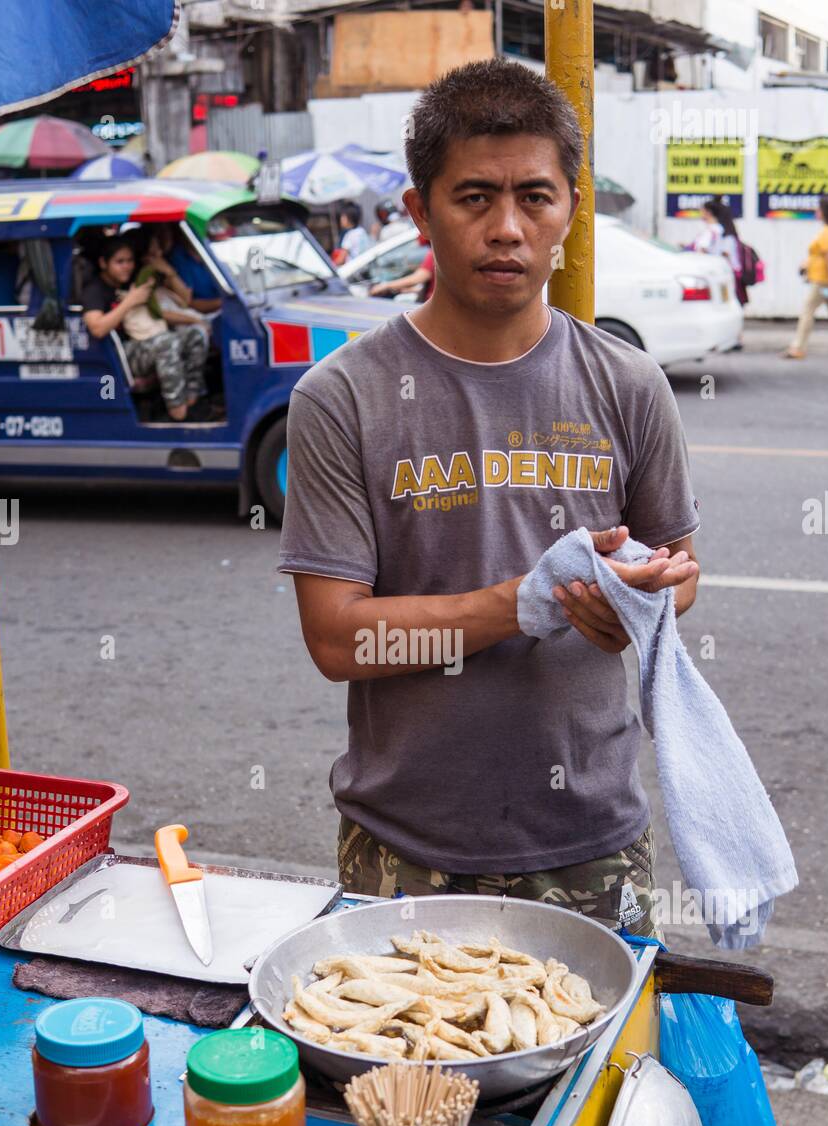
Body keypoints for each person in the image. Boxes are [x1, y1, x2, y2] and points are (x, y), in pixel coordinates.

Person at [278, 57, 700, 937]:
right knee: (407, 1078)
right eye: (474, 197)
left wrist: (640, 600)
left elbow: (682, 572)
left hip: (593, 841)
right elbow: (336, 636)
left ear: (571, 212)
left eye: (535, 198)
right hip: (405, 850)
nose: (507, 228)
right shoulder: (341, 396)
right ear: (419, 212)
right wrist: (521, 604)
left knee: (600, 1076)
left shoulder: (630, 384)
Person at [81, 236, 209, 423]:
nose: (127, 266)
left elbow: (176, 303)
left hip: (144, 342)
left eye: (129, 261)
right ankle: (178, 412)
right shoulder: (95, 289)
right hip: (120, 354)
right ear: (103, 263)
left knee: (195, 335)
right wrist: (130, 301)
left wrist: (194, 320)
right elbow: (97, 328)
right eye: (119, 262)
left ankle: (192, 400)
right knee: (167, 342)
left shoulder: (131, 282)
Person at [784, 196, 828, 360]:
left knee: (807, 311)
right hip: (821, 278)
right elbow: (818, 255)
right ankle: (798, 347)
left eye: (818, 209)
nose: (816, 211)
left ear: (824, 211)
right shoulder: (826, 231)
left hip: (823, 280)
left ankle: (798, 347)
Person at [369, 238, 435, 302]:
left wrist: (386, 285)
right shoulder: (436, 253)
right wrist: (408, 290)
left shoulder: (433, 254)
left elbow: (417, 279)